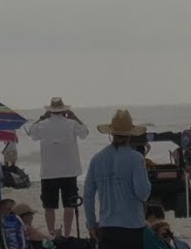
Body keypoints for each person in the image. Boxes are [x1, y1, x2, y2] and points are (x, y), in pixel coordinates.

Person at [83, 109, 152, 249]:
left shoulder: (97, 158)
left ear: (111, 133)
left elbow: (88, 195)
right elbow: (143, 193)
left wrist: (91, 224)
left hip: (107, 226)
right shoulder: (135, 158)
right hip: (132, 226)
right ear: (129, 135)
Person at [25, 97, 89, 238]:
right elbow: (85, 133)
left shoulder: (43, 125)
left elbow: (30, 132)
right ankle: (66, 234)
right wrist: (74, 116)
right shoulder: (71, 123)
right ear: (64, 110)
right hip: (69, 171)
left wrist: (42, 117)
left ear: (50, 111)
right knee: (69, 205)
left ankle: (52, 234)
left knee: (49, 206)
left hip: (49, 172)